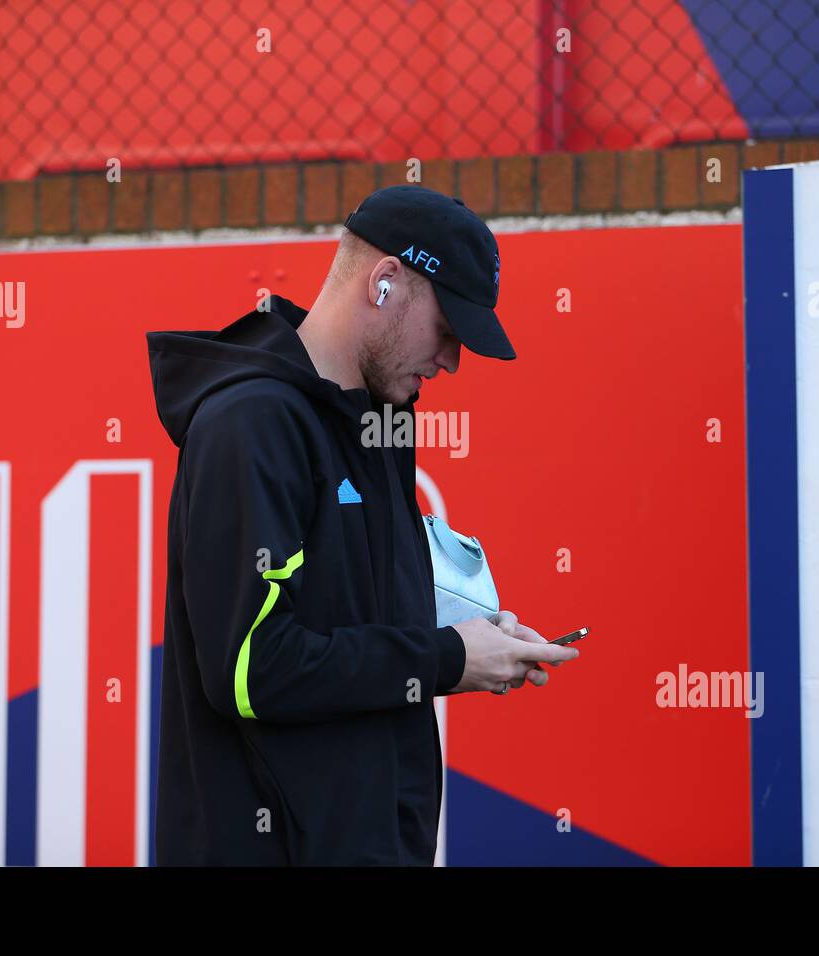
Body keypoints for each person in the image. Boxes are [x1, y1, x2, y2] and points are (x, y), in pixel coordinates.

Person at [146, 184, 578, 866]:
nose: (453, 361)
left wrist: (472, 636)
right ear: (384, 284)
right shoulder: (252, 423)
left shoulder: (378, 419)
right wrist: (448, 658)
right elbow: (251, 671)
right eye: (448, 328)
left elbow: (347, 616)